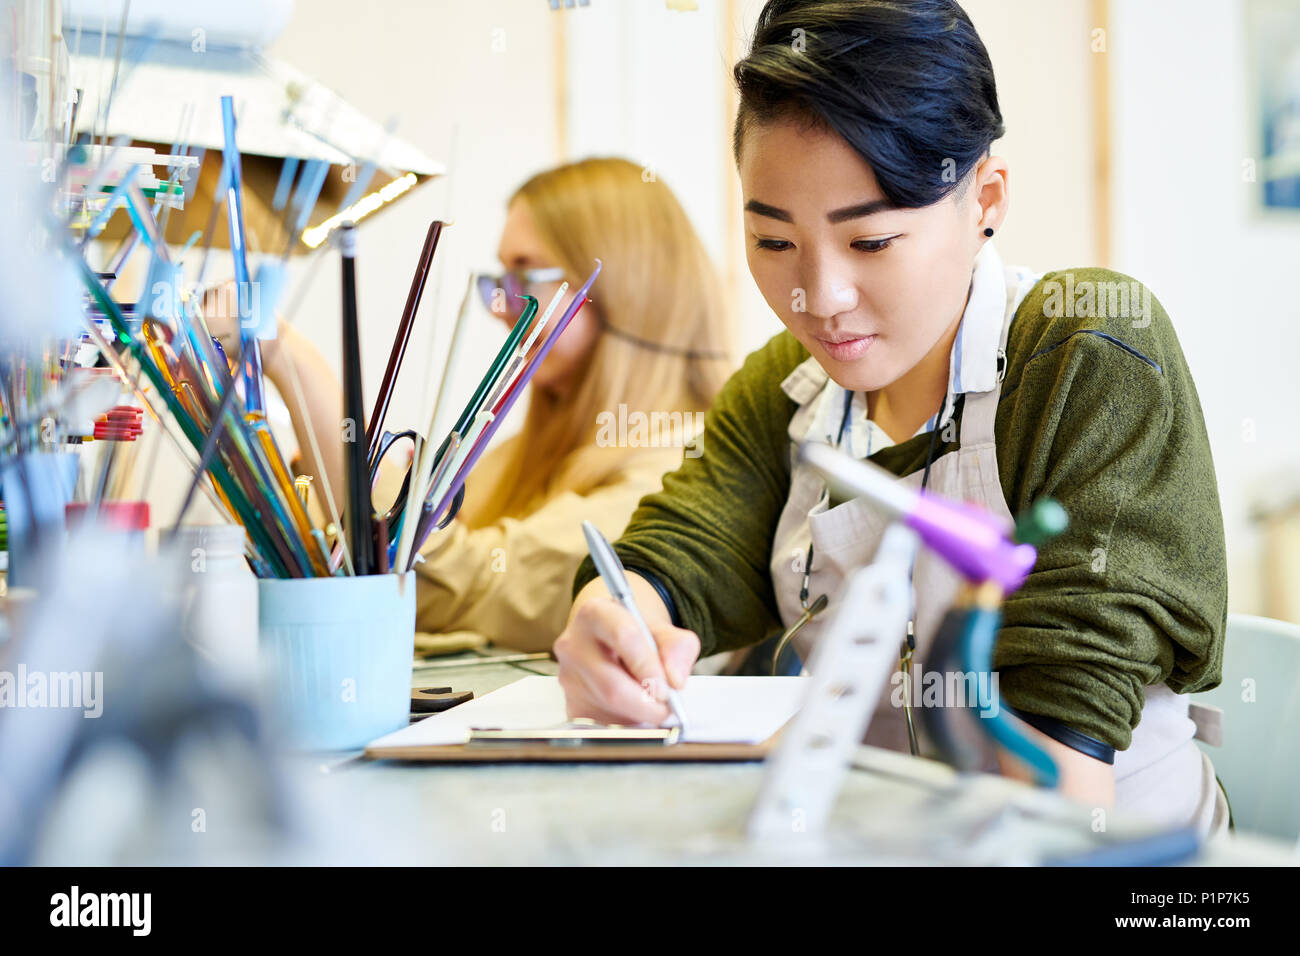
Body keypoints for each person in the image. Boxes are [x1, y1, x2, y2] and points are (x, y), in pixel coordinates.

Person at [554, 0, 1229, 835]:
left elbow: (1062, 772)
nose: (819, 298)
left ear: (985, 196)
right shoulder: (785, 386)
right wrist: (622, 621)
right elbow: (689, 553)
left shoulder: (1089, 349)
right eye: (773, 244)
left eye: (870, 242)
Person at [206, 157, 734, 651]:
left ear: (629, 287)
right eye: (499, 281)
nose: (502, 307)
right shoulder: (512, 459)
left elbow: (434, 574)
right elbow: (361, 547)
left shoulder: (681, 472)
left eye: (525, 277)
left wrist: (292, 360)